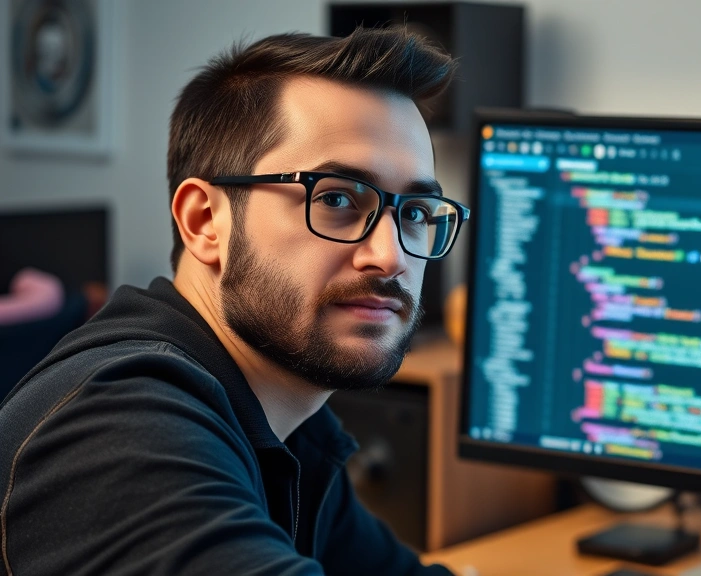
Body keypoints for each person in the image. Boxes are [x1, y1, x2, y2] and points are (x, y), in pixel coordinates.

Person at [0, 27, 469, 575]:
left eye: (413, 212)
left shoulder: (289, 419)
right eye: (337, 198)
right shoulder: (117, 430)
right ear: (205, 223)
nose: (390, 257)